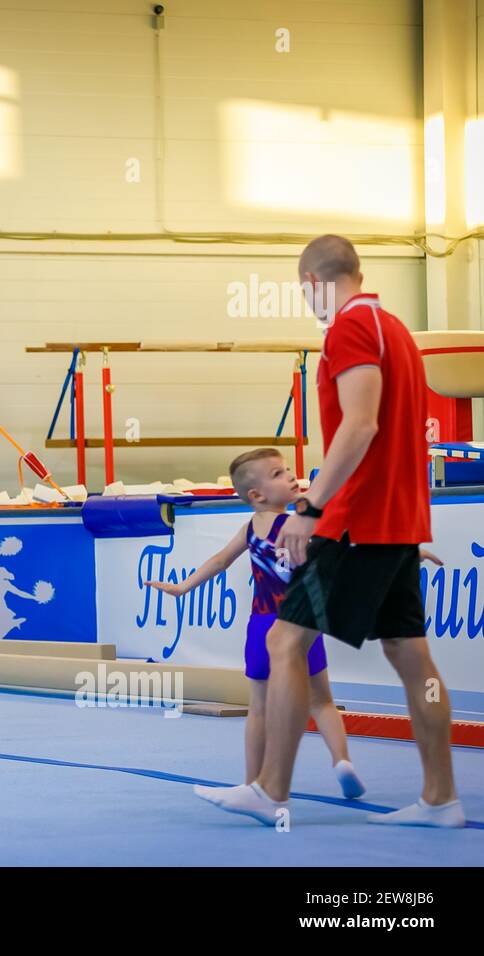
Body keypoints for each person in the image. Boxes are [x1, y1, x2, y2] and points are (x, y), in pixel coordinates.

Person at [195, 234, 464, 828]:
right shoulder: (396, 330)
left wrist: (312, 506)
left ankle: (270, 790)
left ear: (314, 282)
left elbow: (362, 426)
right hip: (398, 517)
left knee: (284, 644)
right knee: (411, 655)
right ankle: (441, 798)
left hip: (356, 521)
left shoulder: (348, 328)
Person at [146, 448, 365, 795]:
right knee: (321, 700)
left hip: (264, 625)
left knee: (259, 709)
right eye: (279, 474)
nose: (292, 476)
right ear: (256, 494)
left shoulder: (251, 528)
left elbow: (219, 562)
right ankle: (342, 761)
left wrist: (182, 587)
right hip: (303, 625)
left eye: (288, 469)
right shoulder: (298, 527)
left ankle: (252, 783)